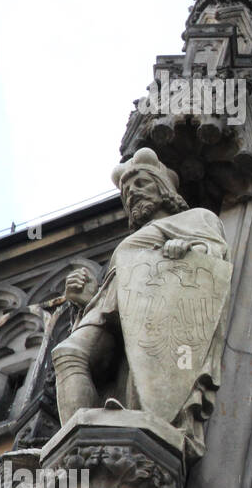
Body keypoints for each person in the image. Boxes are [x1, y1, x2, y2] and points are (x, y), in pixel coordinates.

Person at [51, 148, 230, 461]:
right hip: (112, 306)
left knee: (142, 367)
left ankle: (138, 430)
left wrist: (186, 246)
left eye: (142, 184)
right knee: (67, 353)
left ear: (164, 190)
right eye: (126, 190)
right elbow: (118, 286)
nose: (132, 193)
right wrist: (85, 299)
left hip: (155, 308)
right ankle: (79, 444)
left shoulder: (197, 218)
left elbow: (212, 257)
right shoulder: (131, 241)